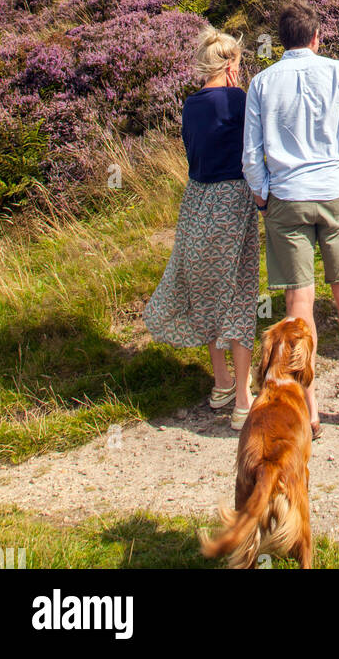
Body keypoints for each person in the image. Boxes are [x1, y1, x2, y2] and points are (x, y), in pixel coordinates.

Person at [242, 2, 339, 435]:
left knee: (297, 304)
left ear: (282, 41)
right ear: (316, 38)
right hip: (334, 190)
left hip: (286, 197)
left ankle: (309, 409)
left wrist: (263, 196)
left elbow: (251, 156)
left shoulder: (262, 82)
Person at [144, 27, 259, 431]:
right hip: (233, 200)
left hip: (196, 200)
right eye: (239, 65)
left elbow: (193, 152)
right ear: (230, 66)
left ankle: (222, 383)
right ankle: (244, 401)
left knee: (208, 289)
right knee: (241, 292)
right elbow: (254, 150)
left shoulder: (191, 103)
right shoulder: (238, 100)